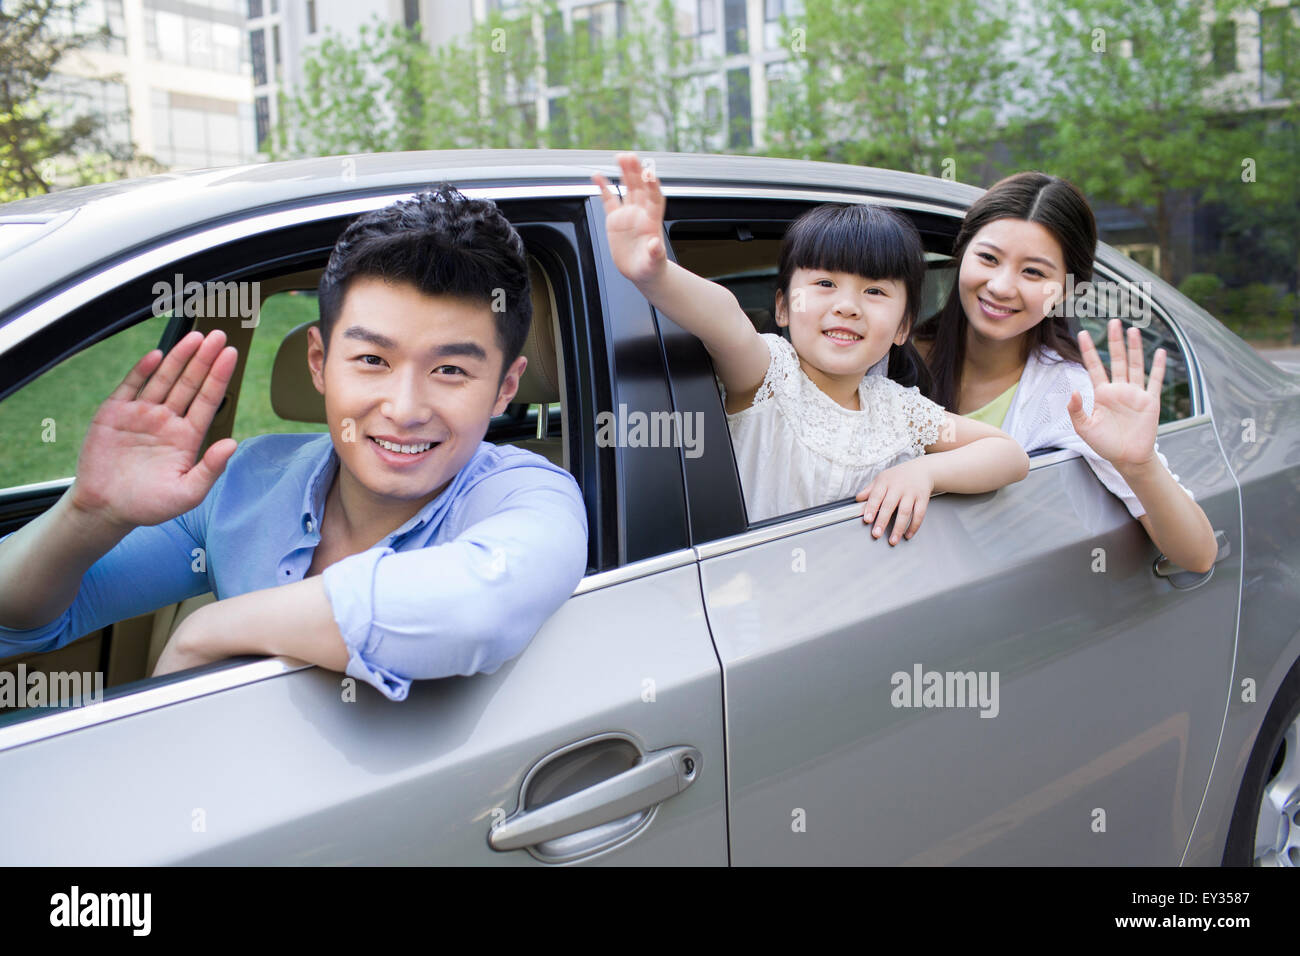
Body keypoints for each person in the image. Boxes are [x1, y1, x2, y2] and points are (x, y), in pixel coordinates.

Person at [0, 186, 589, 701]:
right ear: (319, 362)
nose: (405, 410)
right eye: (371, 360)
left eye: (452, 371)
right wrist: (89, 514)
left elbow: (475, 613)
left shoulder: (529, 492)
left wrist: (212, 628)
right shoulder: (245, 478)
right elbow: (24, 621)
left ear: (504, 387)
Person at [594, 152, 1028, 540]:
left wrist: (927, 471)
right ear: (783, 307)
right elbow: (725, 318)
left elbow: (1008, 454)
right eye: (824, 284)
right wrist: (655, 276)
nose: (847, 307)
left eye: (875, 292)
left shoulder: (899, 410)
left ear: (903, 328)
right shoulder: (770, 375)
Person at [914, 171, 1218, 574]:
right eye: (988, 258)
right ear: (961, 252)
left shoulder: (1073, 396)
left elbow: (1198, 555)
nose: (1002, 286)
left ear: (1068, 290)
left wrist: (1139, 465)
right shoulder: (884, 358)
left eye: (1034, 273)